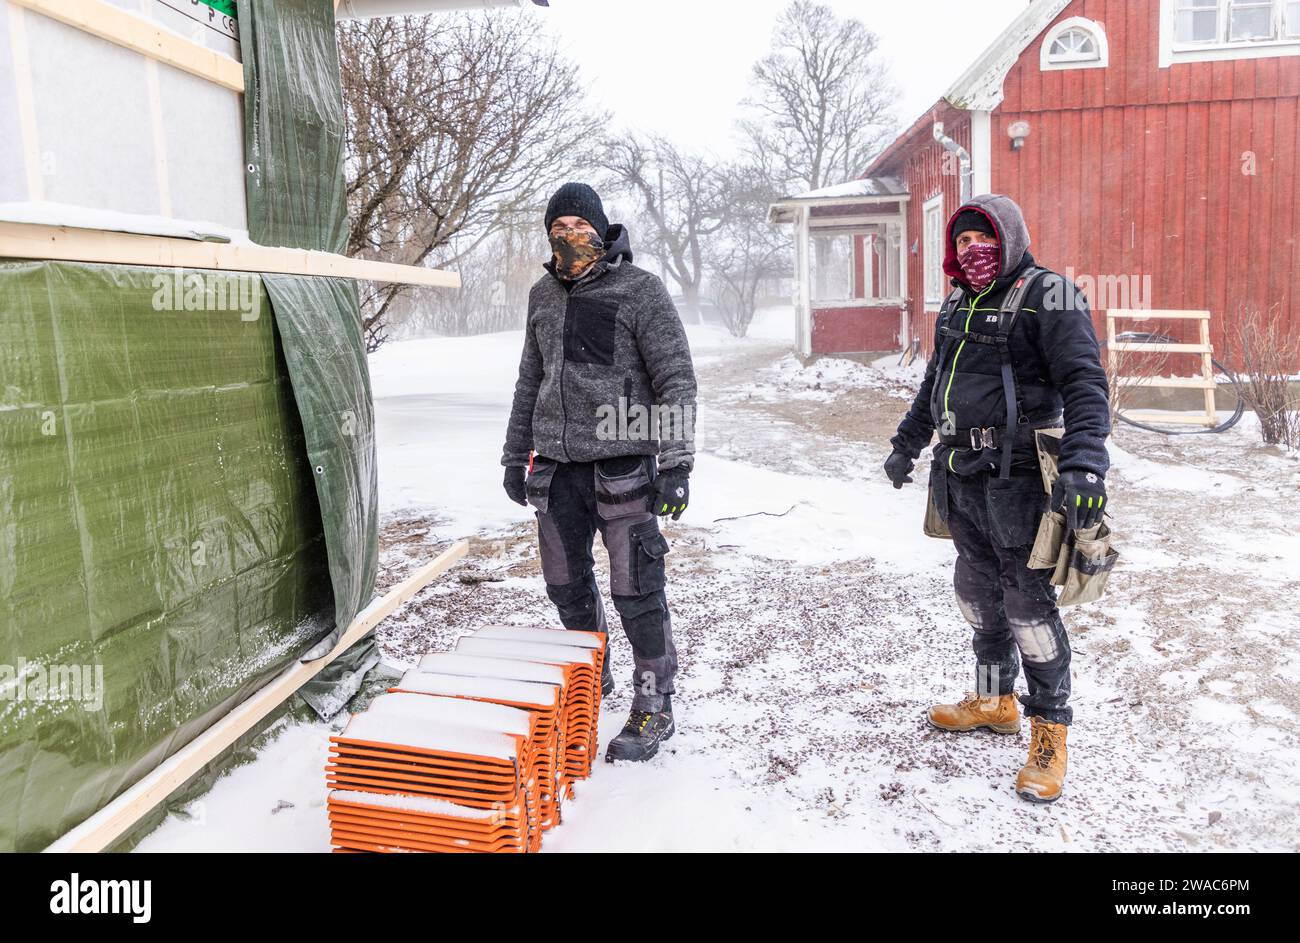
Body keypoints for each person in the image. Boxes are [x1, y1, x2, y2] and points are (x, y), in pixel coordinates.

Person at [884, 193, 1110, 803]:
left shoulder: (1050, 294)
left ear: (1009, 238)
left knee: (1028, 611)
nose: (971, 250)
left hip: (1020, 483)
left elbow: (1086, 382)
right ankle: (994, 698)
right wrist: (908, 442)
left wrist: (1087, 464)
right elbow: (936, 381)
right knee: (977, 600)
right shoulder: (957, 300)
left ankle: (1048, 733)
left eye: (983, 239)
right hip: (960, 479)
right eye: (961, 241)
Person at [501, 182, 697, 763]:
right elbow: (529, 381)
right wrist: (515, 456)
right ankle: (592, 684)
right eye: (557, 229)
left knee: (636, 590)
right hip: (557, 470)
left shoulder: (641, 292)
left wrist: (677, 462)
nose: (568, 237)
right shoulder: (542, 295)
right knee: (566, 588)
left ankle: (652, 703)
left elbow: (676, 380)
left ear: (602, 230)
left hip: (623, 469)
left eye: (579, 227)